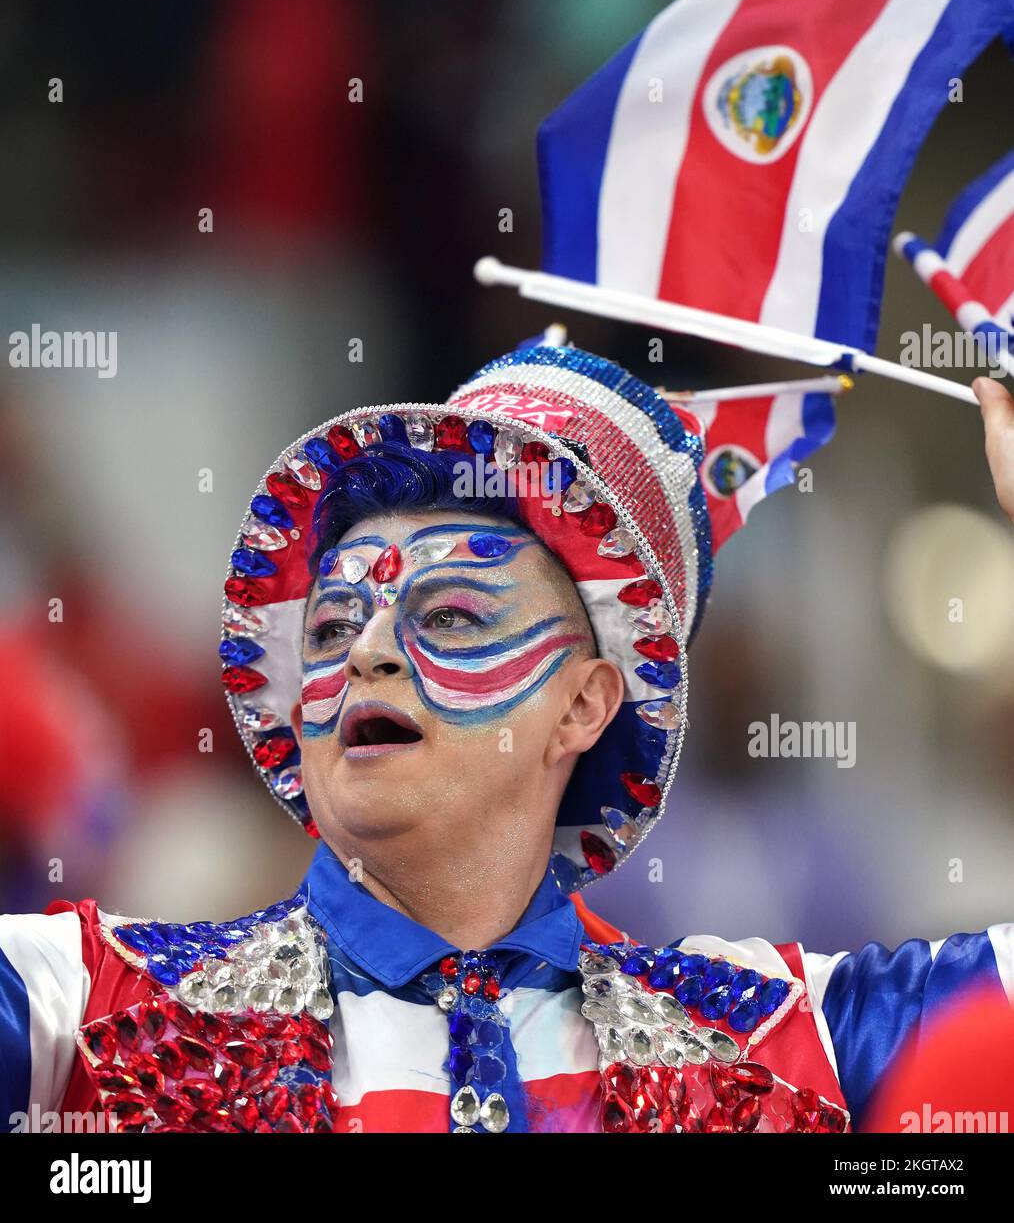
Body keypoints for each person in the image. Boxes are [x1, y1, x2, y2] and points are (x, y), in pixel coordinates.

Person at [1, 343, 1012, 1135]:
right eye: (332, 623)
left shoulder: (783, 1039)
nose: (369, 654)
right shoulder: (90, 1009)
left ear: (584, 704)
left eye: (448, 618)